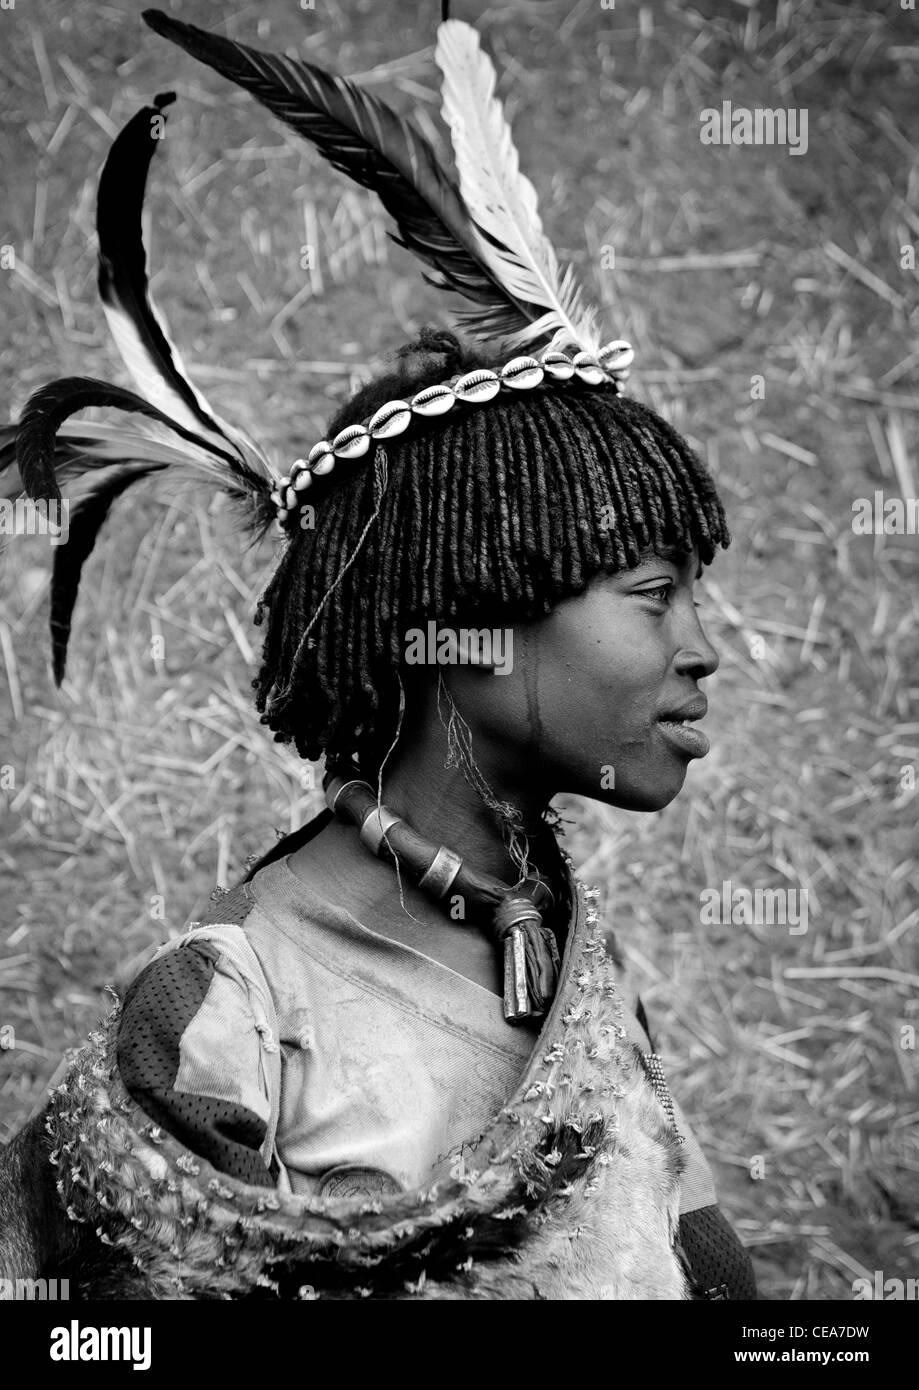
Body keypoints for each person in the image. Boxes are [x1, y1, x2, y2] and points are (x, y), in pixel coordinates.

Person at [0, 11, 756, 1300]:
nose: (703, 652)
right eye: (653, 594)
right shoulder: (224, 1016)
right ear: (460, 621)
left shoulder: (578, 980)